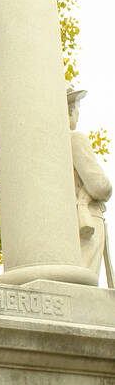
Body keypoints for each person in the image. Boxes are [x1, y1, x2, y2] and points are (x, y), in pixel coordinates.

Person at [68, 86, 112, 284]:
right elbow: (101, 186)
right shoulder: (75, 139)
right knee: (85, 281)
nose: (78, 113)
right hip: (86, 220)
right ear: (69, 110)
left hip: (69, 221)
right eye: (76, 107)